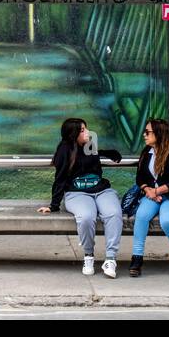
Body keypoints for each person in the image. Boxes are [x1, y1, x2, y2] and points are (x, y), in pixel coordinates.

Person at [38, 117, 123, 278]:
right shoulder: (65, 150)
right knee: (86, 217)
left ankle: (111, 258)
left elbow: (91, 155)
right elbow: (60, 178)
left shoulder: (90, 145)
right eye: (83, 130)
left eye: (86, 128)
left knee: (113, 213)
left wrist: (108, 153)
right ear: (74, 134)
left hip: (101, 190)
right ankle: (89, 256)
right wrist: (53, 204)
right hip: (77, 193)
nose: (87, 132)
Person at [128, 119, 169, 278]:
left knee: (166, 221)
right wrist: (147, 190)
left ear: (159, 133)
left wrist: (157, 191)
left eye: (148, 132)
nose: (144, 135)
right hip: (152, 196)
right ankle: (137, 258)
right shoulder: (146, 152)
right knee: (141, 216)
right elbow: (139, 178)